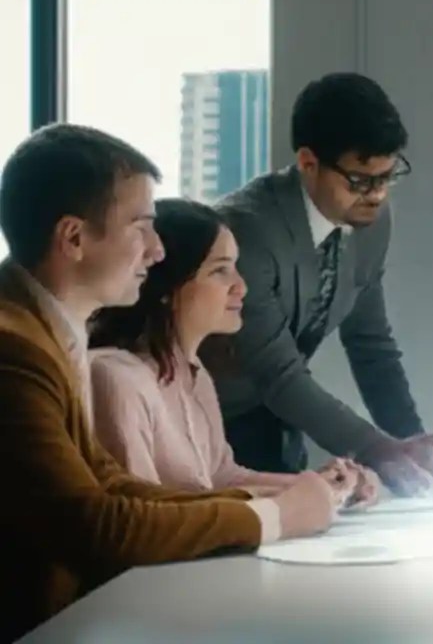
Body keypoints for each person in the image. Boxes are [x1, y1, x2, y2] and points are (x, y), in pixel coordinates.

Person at [0, 124, 341, 641]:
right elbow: (97, 525)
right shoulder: (16, 351)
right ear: (73, 238)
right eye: (141, 228)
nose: (157, 252)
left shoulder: (48, 333)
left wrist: (270, 506)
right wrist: (273, 518)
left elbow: (109, 482)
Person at [202, 72, 433, 495]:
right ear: (308, 162)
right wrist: (377, 448)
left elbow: (371, 343)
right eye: (360, 180)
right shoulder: (249, 229)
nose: (377, 195)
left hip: (278, 418)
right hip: (212, 419)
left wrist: (410, 444)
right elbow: (277, 372)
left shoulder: (369, 219)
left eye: (388, 177)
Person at [88, 198, 380, 506]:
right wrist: (302, 497)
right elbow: (142, 513)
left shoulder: (195, 375)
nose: (241, 286)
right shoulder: (116, 379)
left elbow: (224, 478)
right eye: (220, 271)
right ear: (167, 287)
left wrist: (319, 485)